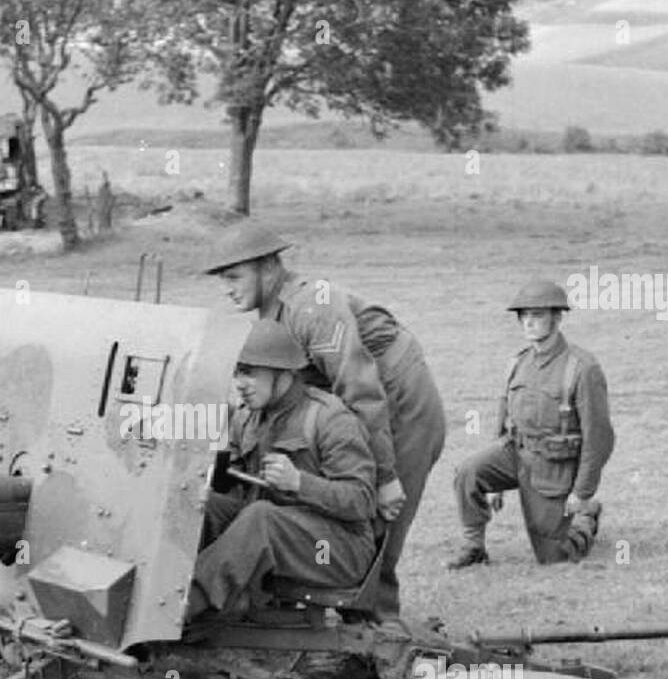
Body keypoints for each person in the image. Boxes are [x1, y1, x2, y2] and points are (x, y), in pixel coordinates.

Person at [202, 219, 445, 618]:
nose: (227, 287)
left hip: (401, 399)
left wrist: (384, 478)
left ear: (268, 267)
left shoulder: (312, 308)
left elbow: (361, 391)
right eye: (221, 278)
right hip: (366, 397)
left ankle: (375, 632)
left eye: (234, 276)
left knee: (380, 517)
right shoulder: (273, 313)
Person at [186, 321, 378, 621]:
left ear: (284, 373)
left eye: (249, 372)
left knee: (260, 516)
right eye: (236, 371)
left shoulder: (329, 418)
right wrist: (214, 471)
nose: (240, 383)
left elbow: (362, 501)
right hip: (279, 537)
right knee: (202, 503)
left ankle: (184, 607)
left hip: (336, 551)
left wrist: (299, 483)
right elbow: (234, 487)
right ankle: (167, 588)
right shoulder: (247, 417)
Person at [448, 279, 615, 567]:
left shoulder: (582, 368)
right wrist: (495, 484)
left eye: (537, 315)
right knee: (468, 472)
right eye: (524, 316)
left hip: (553, 469)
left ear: (558, 318)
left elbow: (599, 438)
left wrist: (582, 492)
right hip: (516, 453)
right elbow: (505, 420)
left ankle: (587, 517)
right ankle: (474, 546)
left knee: (554, 558)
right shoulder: (517, 362)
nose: (528, 322)